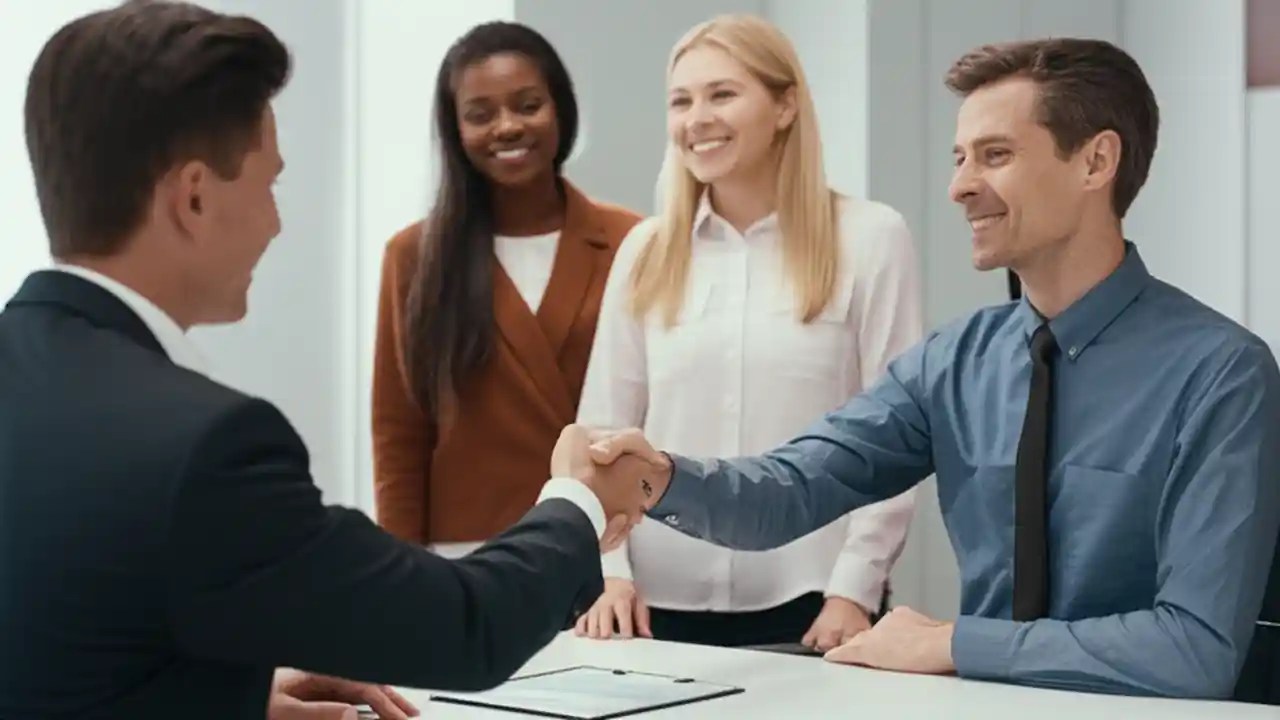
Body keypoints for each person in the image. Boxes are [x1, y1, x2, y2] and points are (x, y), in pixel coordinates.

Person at [0, 3, 651, 718]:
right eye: (269, 184)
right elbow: (468, 628)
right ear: (193, 198)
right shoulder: (207, 449)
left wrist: (231, 696)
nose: (276, 222)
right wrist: (579, 497)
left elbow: (72, 636)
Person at [587, 37, 1280, 700]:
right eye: (959, 158)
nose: (960, 187)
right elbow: (789, 491)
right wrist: (649, 477)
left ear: (1095, 162)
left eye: (995, 155)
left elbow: (1195, 649)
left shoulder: (1221, 375)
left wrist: (953, 643)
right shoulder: (953, 362)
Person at [573, 14, 920, 652]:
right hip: (651, 607)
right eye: (681, 101)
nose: (697, 118)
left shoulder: (872, 239)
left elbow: (896, 439)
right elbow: (602, 432)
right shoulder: (645, 249)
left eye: (722, 94)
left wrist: (855, 588)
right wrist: (610, 572)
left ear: (785, 106)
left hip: (815, 606)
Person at [370, 21, 643, 557]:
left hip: (603, 546)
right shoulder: (414, 256)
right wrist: (402, 567)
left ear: (560, 109)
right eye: (480, 114)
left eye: (527, 105)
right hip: (465, 551)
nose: (508, 126)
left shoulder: (630, 240)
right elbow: (399, 431)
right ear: (454, 128)